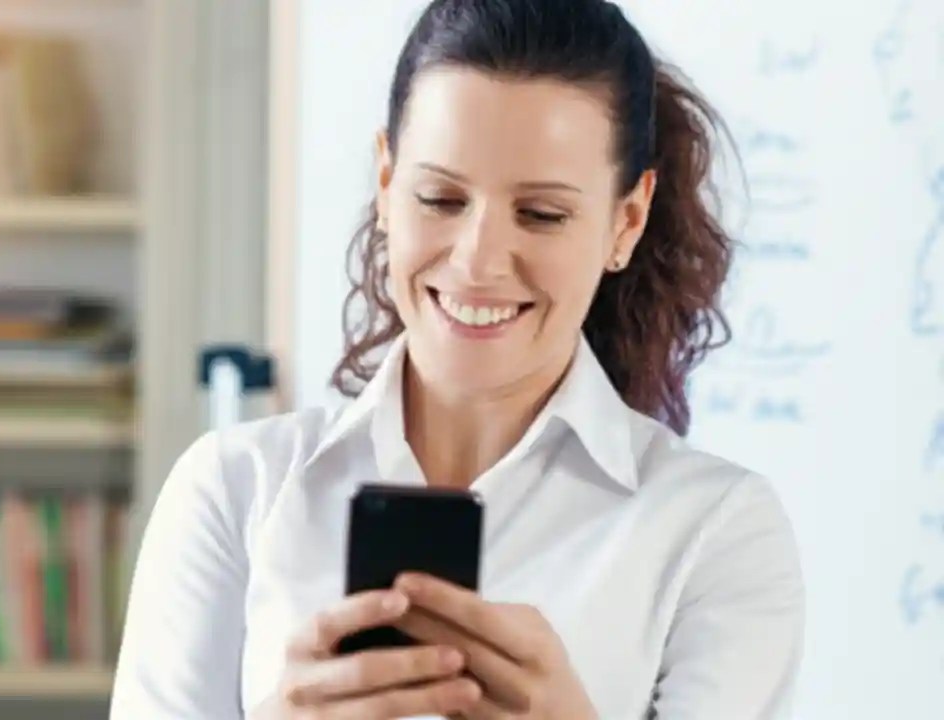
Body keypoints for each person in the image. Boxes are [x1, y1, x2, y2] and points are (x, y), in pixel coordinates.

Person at [110, 0, 805, 717]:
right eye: (441, 198)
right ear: (387, 183)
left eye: (541, 214)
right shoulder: (235, 490)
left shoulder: (716, 531)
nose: (477, 261)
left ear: (626, 220)